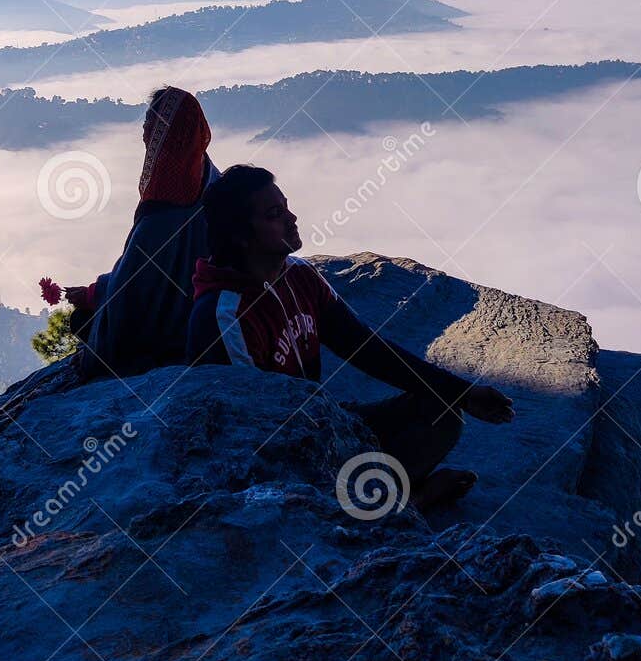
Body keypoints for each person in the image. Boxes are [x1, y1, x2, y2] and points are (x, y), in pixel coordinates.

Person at [186, 165, 514, 509]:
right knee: (292, 491)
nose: (292, 219)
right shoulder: (224, 318)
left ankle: (378, 497)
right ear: (241, 235)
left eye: (286, 207)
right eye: (275, 214)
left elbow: (364, 346)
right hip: (277, 453)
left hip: (324, 422)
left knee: (442, 410)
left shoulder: (300, 277)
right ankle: (396, 502)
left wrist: (461, 392)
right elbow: (248, 436)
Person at [52, 86, 218, 380]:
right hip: (207, 316)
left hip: (173, 331)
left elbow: (131, 291)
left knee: (82, 322)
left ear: (163, 133)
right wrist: (94, 291)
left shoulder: (162, 212)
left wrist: (94, 356)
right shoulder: (212, 180)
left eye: (150, 123)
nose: (144, 130)